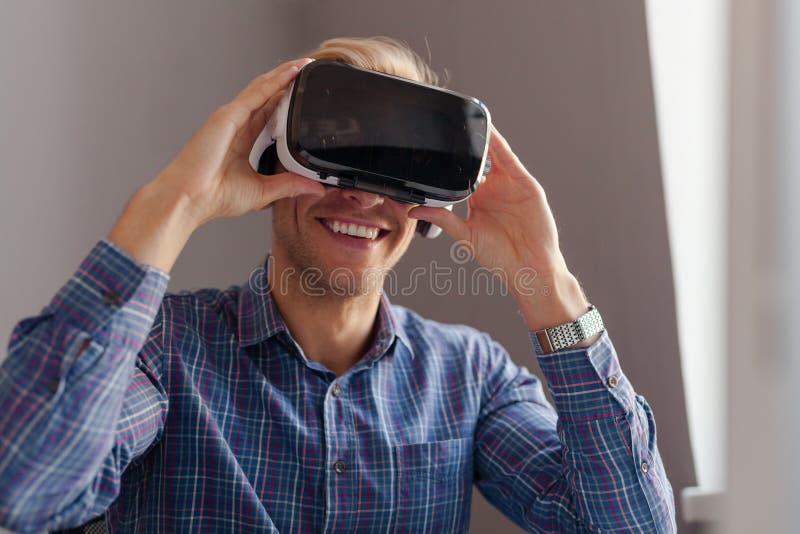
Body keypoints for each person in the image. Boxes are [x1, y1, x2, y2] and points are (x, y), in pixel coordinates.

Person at [0, 36, 675, 533]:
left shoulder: (469, 379)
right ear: (266, 167)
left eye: (393, 171)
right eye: (338, 160)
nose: (362, 198)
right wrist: (173, 202)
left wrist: (545, 276)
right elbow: (24, 484)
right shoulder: (164, 352)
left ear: (426, 210)